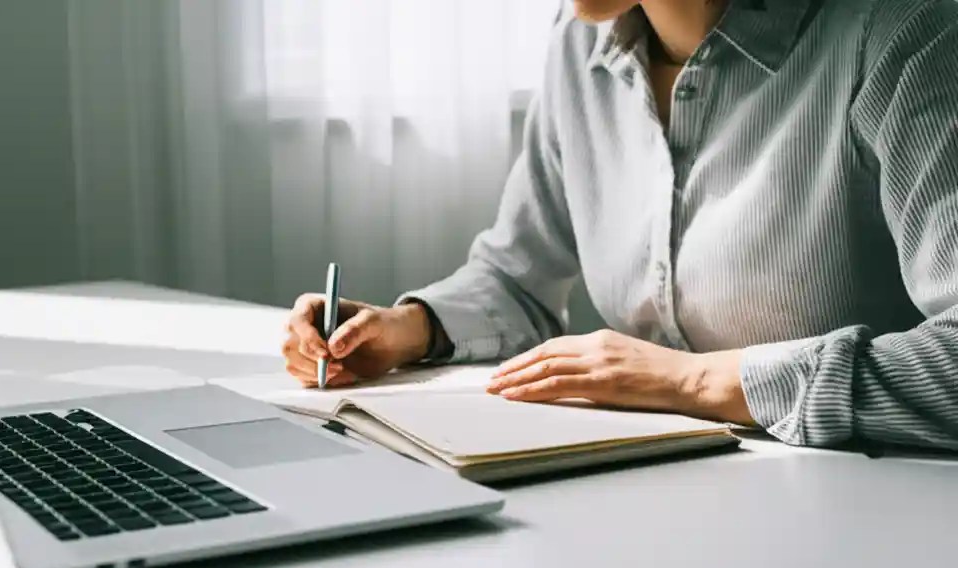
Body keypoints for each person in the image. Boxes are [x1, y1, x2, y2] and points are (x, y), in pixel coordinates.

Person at [281, 0, 958, 450]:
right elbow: (518, 275)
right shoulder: (578, 44)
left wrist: (693, 382)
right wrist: (412, 329)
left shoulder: (907, 37)